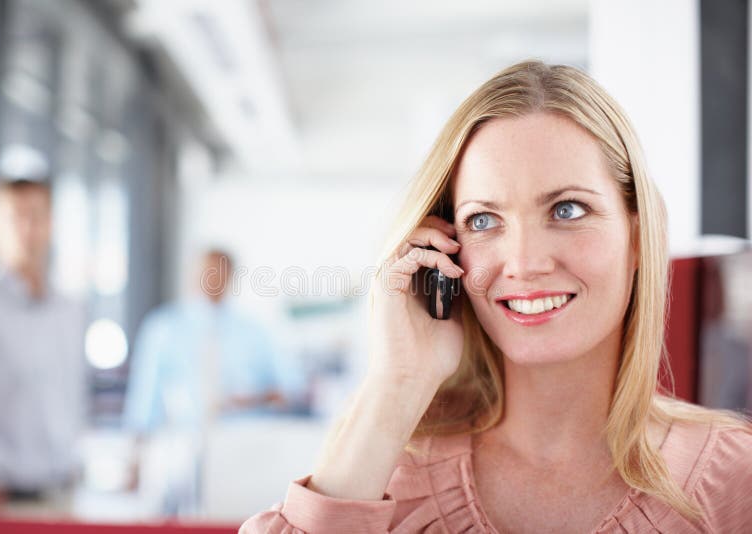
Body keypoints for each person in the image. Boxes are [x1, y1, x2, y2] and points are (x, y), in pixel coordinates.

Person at [241, 60, 752, 532]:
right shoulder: (383, 475)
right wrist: (398, 383)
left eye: (567, 210)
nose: (525, 262)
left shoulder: (735, 480)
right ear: (445, 247)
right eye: (483, 221)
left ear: (638, 239)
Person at [0, 178, 86, 517]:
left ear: (52, 224)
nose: (28, 227)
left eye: (38, 215)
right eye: (15, 216)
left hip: (61, 501)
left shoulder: (70, 311)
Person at [123, 249, 306, 434]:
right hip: (183, 439)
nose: (212, 279)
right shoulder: (163, 329)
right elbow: (144, 401)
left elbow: (291, 387)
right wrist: (136, 447)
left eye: (220, 272)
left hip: (244, 437)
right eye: (206, 271)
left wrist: (255, 399)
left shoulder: (255, 331)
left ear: (231, 276)